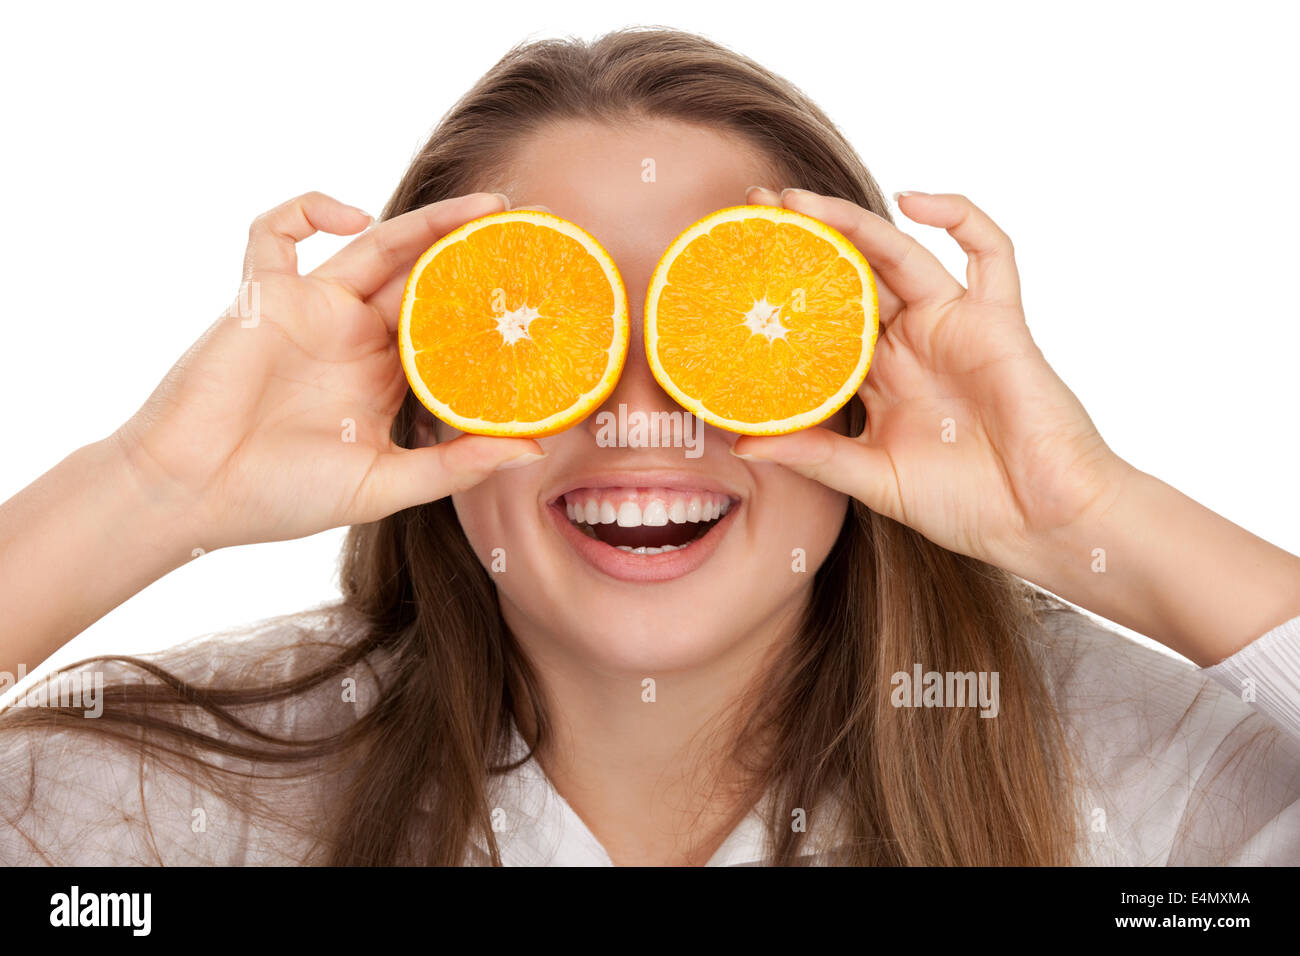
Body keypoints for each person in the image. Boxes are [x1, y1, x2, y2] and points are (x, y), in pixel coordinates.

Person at [1, 27, 1298, 867]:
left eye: (728, 328)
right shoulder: (166, 812)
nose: (637, 411)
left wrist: (1088, 509)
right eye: (540, 332)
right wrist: (150, 490)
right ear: (421, 397)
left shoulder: (1146, 797)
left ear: (861, 383)